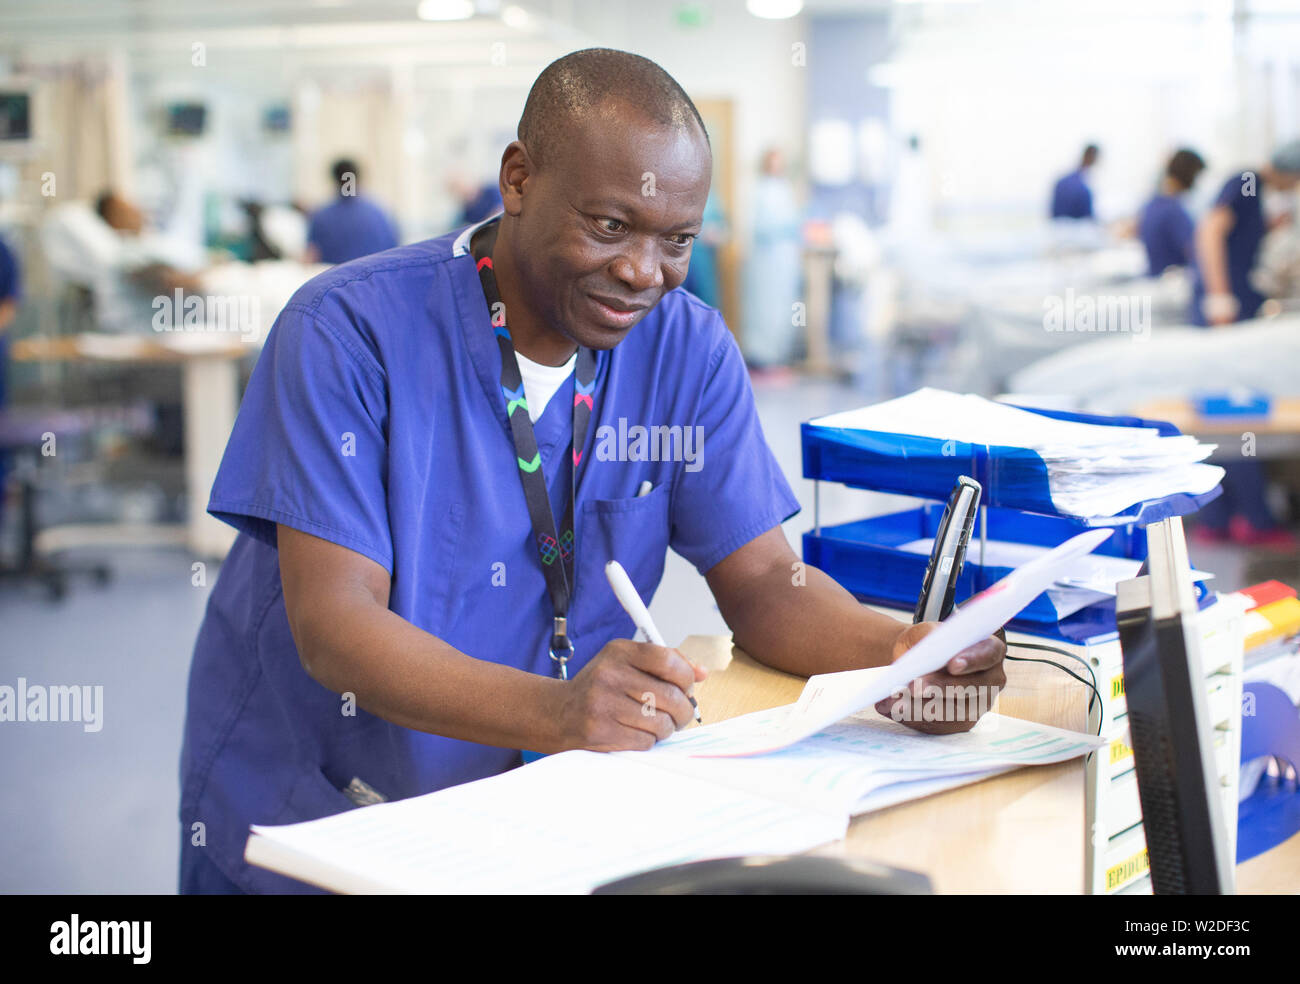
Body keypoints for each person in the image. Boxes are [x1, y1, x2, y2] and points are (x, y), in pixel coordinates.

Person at [179, 48, 1006, 894]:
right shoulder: (348, 333)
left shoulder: (684, 349)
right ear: (518, 180)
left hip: (547, 809)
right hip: (333, 814)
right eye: (610, 226)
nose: (644, 272)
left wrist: (901, 660)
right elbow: (336, 626)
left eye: (676, 240)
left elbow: (761, 578)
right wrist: (558, 711)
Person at [1189, 140, 1300, 549]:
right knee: (1236, 416)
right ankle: (1250, 517)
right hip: (1225, 313)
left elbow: (1235, 234)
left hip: (1235, 309)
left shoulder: (1257, 195)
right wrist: (1220, 297)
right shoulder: (1247, 181)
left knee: (1226, 414)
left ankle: (1220, 516)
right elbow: (1210, 232)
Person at [743, 147, 802, 371]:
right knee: (764, 308)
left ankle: (779, 354)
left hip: (785, 262)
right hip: (766, 262)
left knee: (783, 307)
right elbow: (760, 227)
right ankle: (761, 355)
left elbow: (794, 222)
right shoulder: (761, 190)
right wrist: (781, 230)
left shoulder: (785, 189)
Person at [305, 159, 400, 264]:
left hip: (335, 277)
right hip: (374, 278)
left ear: (334, 179)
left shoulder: (321, 217)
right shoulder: (379, 214)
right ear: (359, 177)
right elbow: (394, 252)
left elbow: (310, 256)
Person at [1137, 148, 1205, 277]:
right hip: (1172, 282)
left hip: (1154, 276)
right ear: (1190, 173)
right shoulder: (1174, 211)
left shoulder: (1151, 205)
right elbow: (1195, 252)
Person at [1050, 144, 1099, 220]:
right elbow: (1088, 216)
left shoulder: (1062, 182)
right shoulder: (1082, 187)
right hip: (1076, 228)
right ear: (1093, 158)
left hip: (1057, 227)